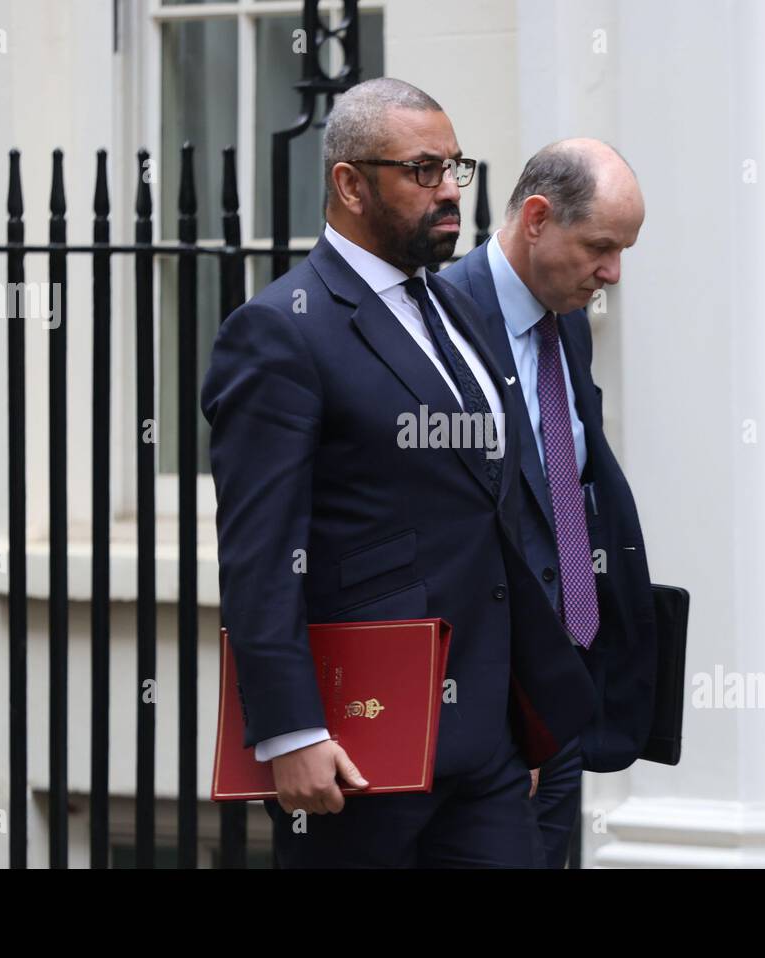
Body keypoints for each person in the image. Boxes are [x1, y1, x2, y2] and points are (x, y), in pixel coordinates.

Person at [200, 79, 593, 868]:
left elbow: (494, 509)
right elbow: (260, 551)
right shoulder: (280, 331)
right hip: (360, 746)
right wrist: (290, 730)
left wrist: (530, 706)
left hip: (487, 744)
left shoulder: (457, 309)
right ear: (350, 184)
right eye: (423, 171)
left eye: (456, 167)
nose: (450, 191)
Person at [441, 138, 655, 868]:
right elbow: (452, 541)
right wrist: (506, 719)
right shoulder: (440, 321)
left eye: (623, 250)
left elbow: (570, 489)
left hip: (567, 692)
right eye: (600, 246)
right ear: (536, 218)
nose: (613, 272)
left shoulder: (567, 322)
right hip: (493, 715)